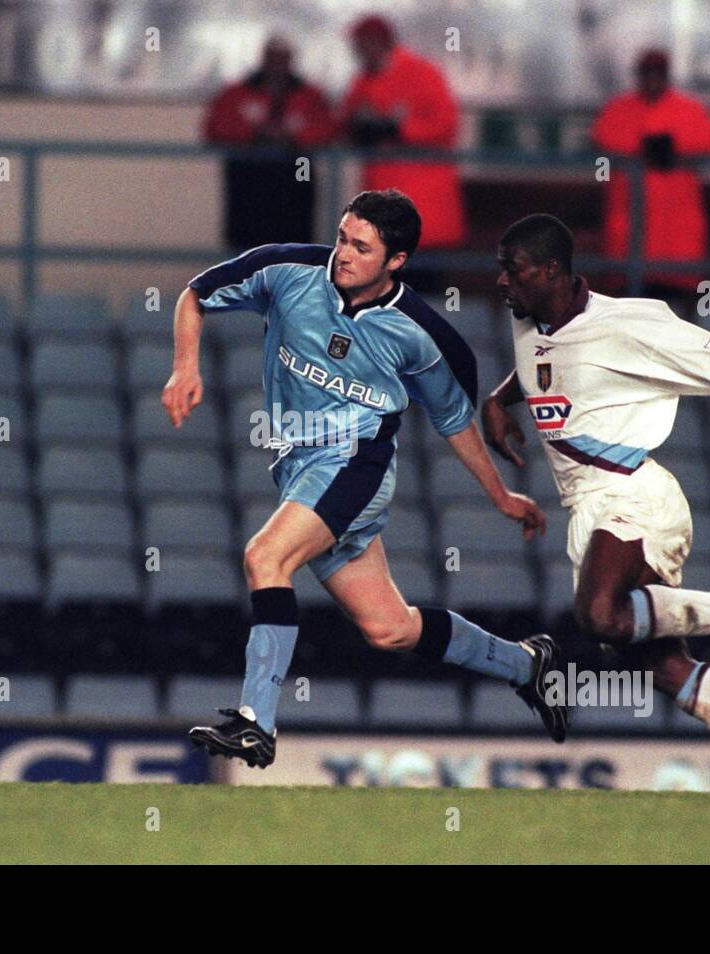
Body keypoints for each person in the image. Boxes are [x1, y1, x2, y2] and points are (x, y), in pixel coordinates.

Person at [163, 190, 564, 769]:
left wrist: (498, 495)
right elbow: (195, 295)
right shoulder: (288, 271)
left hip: (356, 465)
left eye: (361, 247)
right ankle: (527, 666)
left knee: (265, 558)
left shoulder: (420, 334)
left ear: (395, 261)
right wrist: (184, 365)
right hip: (300, 471)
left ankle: (255, 724)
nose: (343, 253)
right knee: (390, 629)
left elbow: (455, 421)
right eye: (343, 236)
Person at [480, 213, 710, 796]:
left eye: (513, 269)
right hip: (588, 510)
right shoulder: (532, 316)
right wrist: (500, 400)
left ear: (552, 270)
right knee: (659, 666)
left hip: (633, 494)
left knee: (598, 616)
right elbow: (543, 363)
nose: (502, 281)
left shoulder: (631, 323)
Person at [339, 15, 464, 296]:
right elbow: (347, 121)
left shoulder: (421, 72)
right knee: (385, 297)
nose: (358, 51)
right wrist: (359, 127)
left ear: (379, 43)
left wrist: (398, 128)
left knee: (422, 299)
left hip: (423, 212)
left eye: (363, 44)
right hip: (385, 216)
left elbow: (446, 124)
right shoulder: (365, 79)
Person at [590, 49, 710, 304]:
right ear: (639, 75)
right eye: (647, 73)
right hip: (630, 236)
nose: (652, 79)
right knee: (630, 312)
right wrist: (651, 148)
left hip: (677, 238)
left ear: (666, 75)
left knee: (679, 315)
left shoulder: (689, 110)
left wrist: (667, 148)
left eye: (657, 73)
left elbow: (709, 141)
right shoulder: (618, 110)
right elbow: (603, 140)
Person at [202, 37, 336, 249]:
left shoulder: (310, 95)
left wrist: (293, 139)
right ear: (263, 60)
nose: (277, 65)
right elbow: (214, 128)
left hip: (295, 185)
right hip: (248, 186)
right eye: (272, 59)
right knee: (248, 255)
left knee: (294, 253)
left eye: (282, 59)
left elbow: (327, 130)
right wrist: (254, 136)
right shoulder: (237, 93)